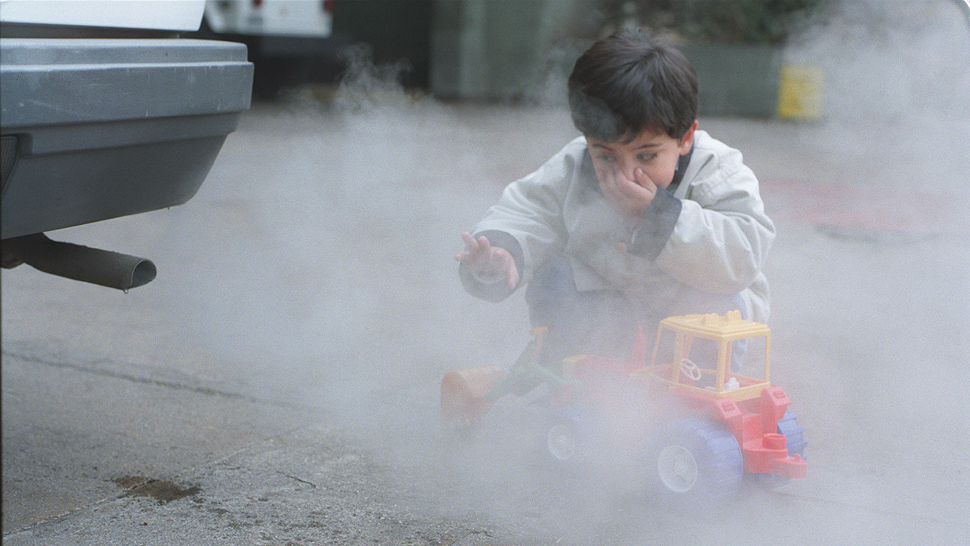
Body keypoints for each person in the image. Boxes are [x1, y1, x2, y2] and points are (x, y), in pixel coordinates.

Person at [455, 29, 775, 379]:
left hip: (689, 307)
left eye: (647, 155)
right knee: (554, 278)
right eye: (605, 155)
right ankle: (571, 383)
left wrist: (657, 217)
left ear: (685, 139)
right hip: (612, 300)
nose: (626, 175)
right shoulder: (575, 165)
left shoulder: (716, 169)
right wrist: (502, 253)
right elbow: (528, 211)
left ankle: (696, 399)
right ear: (587, 140)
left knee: (716, 307)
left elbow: (744, 249)